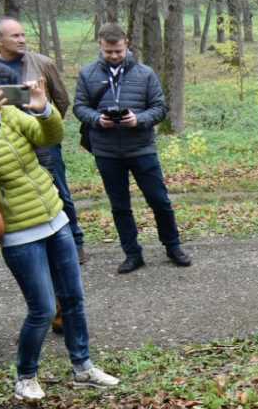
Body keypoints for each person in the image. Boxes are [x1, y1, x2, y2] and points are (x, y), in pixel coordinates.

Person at [0, 69, 120, 401]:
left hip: (55, 218)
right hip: (20, 231)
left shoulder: (10, 114)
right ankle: (25, 376)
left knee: (73, 299)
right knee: (43, 310)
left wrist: (43, 108)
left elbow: (49, 138)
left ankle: (83, 367)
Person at [74, 23, 191, 274]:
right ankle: (132, 254)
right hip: (106, 151)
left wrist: (139, 119)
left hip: (141, 148)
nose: (114, 56)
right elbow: (80, 107)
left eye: (118, 50)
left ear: (126, 43)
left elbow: (160, 108)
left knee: (159, 201)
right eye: (108, 51)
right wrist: (97, 119)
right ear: (100, 46)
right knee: (120, 206)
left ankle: (173, 246)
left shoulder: (145, 73)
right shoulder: (87, 74)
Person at [0, 17, 84, 265]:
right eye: (15, 36)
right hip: (4, 146)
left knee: (60, 191)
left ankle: (75, 242)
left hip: (43, 141)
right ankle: (30, 244)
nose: (22, 39)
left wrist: (47, 126)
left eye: (23, 34)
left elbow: (61, 99)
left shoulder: (42, 63)